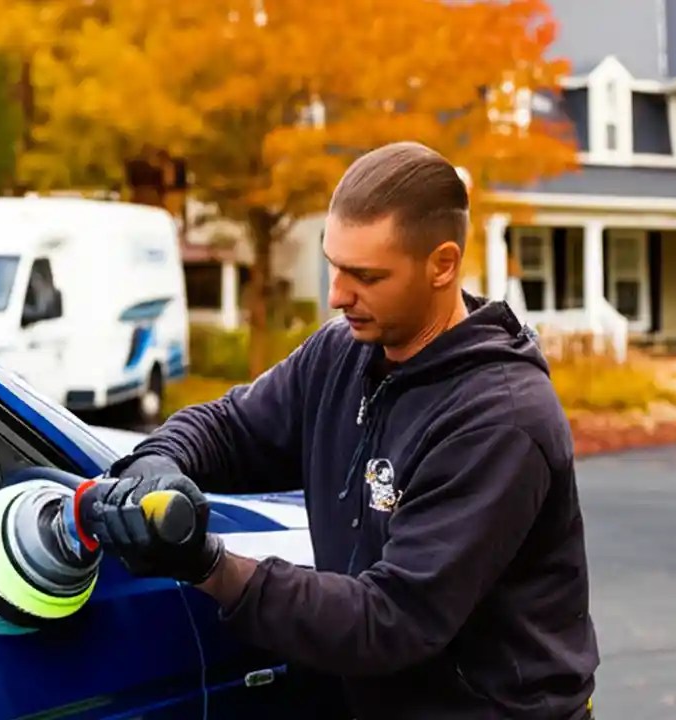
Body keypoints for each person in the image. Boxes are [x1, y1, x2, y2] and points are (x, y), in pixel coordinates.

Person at [88, 141, 600, 719]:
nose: (337, 295)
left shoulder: (499, 419)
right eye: (335, 265)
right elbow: (233, 427)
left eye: (365, 275)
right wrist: (157, 462)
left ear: (443, 264)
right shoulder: (343, 353)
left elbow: (391, 619)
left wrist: (211, 567)